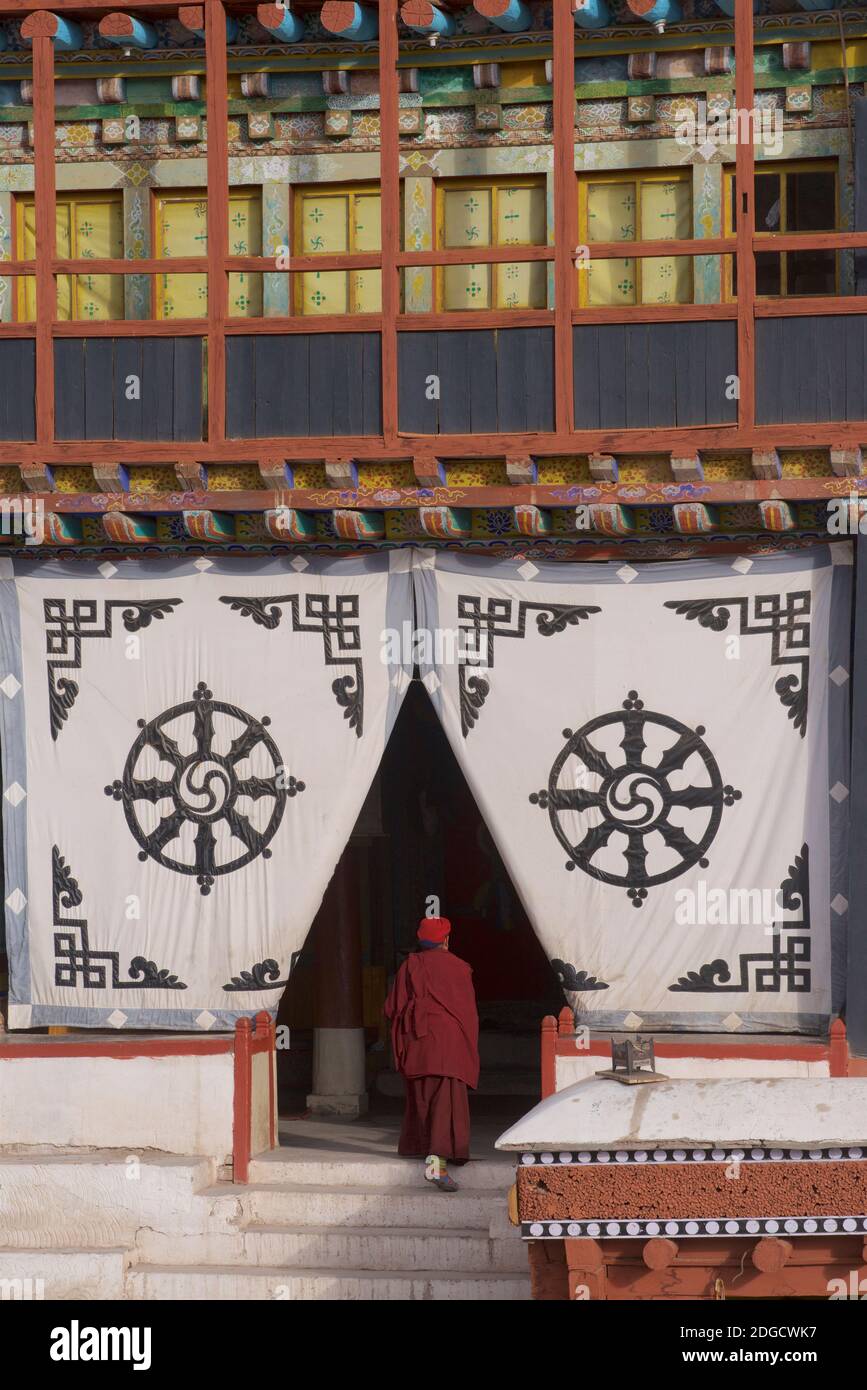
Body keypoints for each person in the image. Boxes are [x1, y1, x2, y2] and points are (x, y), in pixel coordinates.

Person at [384, 916, 479, 1192]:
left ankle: (424, 1147)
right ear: (446, 940)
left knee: (423, 1098)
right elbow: (468, 1012)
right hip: (449, 1047)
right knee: (445, 1105)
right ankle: (436, 1166)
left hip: (419, 1041)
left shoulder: (409, 966)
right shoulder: (460, 968)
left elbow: (392, 1008)